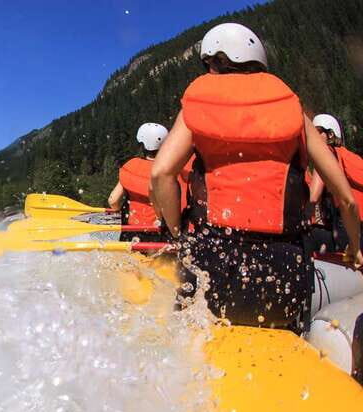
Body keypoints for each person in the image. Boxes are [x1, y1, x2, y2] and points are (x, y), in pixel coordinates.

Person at [150, 22, 362, 333]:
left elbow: (161, 173)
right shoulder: (294, 111)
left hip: (213, 265)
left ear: (214, 61)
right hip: (281, 276)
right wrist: (355, 247)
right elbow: (346, 199)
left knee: (190, 332)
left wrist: (177, 231)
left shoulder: (199, 104)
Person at [308, 114, 363, 252]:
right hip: (357, 229)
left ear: (330, 135)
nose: (311, 137)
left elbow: (313, 197)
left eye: (316, 132)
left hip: (348, 226)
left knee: (305, 237)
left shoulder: (327, 154)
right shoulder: (350, 158)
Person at [108, 123, 169, 242]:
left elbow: (113, 200)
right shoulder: (168, 170)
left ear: (142, 145)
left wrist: (116, 210)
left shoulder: (130, 166)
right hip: (158, 233)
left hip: (132, 232)